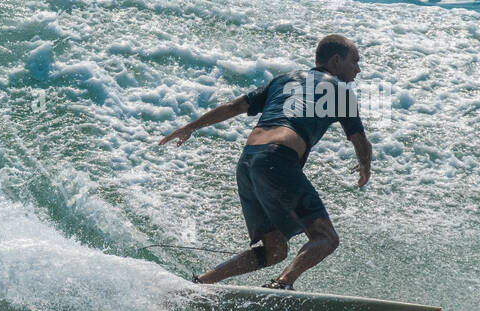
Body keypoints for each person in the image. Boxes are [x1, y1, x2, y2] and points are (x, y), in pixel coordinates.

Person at [158, 35, 372, 289]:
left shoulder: (283, 80)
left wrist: (191, 127)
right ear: (336, 60)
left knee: (275, 249)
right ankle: (283, 284)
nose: (358, 69)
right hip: (278, 159)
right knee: (326, 238)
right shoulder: (339, 92)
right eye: (354, 61)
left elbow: (233, 106)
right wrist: (365, 167)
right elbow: (361, 142)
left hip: (248, 162)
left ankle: (199, 284)